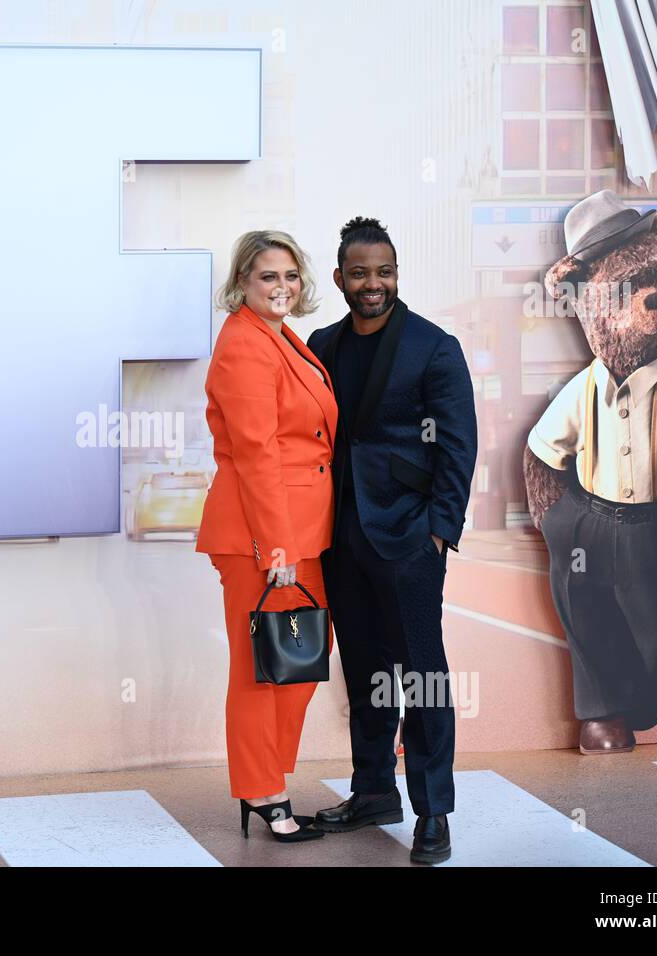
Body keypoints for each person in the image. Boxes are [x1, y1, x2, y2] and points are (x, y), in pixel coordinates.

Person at [306, 217, 477, 864]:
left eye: (384, 271)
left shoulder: (434, 347)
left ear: (397, 274)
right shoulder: (321, 344)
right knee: (366, 671)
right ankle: (374, 790)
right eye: (359, 272)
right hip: (340, 535)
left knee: (422, 676)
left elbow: (459, 447)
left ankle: (434, 811)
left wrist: (439, 532)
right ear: (340, 278)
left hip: (409, 537)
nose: (372, 283)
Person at [196, 230, 338, 843]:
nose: (281, 288)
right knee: (262, 670)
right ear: (242, 285)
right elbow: (255, 454)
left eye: (290, 277)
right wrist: (276, 547)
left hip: (302, 534)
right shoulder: (243, 347)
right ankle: (264, 792)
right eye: (267, 278)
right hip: (264, 538)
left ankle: (271, 778)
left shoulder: (279, 338)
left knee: (299, 663)